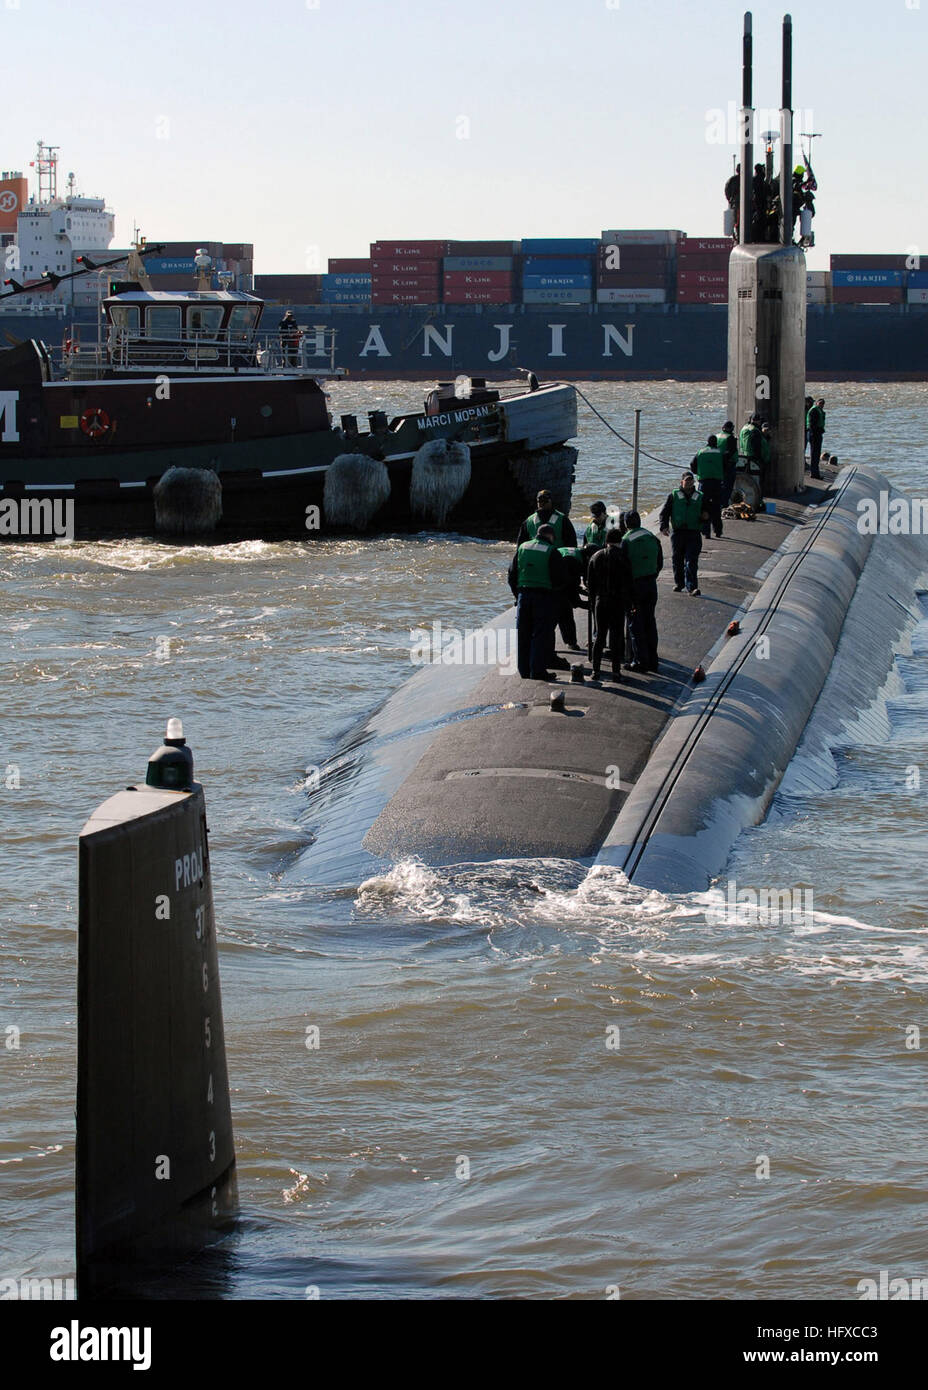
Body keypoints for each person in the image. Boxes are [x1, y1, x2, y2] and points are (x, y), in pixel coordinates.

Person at [507, 523, 566, 680]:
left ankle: (524, 670)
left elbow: (512, 575)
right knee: (540, 634)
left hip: (523, 595)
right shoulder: (552, 551)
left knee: (523, 634)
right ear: (551, 536)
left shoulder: (522, 548)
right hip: (543, 596)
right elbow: (559, 579)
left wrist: (517, 595)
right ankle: (538, 671)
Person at [620, 511, 663, 672]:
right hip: (651, 584)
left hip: (635, 586)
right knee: (649, 622)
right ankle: (653, 660)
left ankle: (640, 661)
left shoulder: (626, 540)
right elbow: (660, 562)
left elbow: (623, 568)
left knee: (635, 625)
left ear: (626, 524)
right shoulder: (651, 536)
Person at [586, 528, 629, 682]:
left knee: (600, 637)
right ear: (620, 541)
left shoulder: (595, 556)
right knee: (616, 637)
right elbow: (628, 582)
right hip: (617, 602)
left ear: (606, 541)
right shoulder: (623, 557)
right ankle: (616, 672)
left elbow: (589, 583)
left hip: (600, 601)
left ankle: (595, 670)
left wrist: (593, 601)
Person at [659, 472, 707, 595]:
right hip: (678, 533)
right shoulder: (673, 496)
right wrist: (663, 526)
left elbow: (706, 512)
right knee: (677, 559)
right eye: (687, 480)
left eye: (691, 480)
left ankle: (692, 587)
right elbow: (665, 512)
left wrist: (705, 518)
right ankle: (679, 583)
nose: (689, 482)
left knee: (691, 560)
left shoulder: (700, 496)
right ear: (682, 482)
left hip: (693, 532)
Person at [691, 434, 725, 538]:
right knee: (716, 507)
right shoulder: (720, 452)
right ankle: (718, 531)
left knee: (704, 507)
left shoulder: (701, 452)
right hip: (716, 483)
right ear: (716, 442)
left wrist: (699, 473)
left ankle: (706, 532)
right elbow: (727, 465)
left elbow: (692, 465)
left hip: (704, 483)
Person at [554, 541, 583, 656]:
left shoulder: (573, 552)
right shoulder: (577, 560)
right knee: (565, 613)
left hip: (552, 580)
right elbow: (574, 581)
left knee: (556, 615)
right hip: (557, 583)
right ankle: (571, 642)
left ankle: (567, 642)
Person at [717, 420, 738, 505]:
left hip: (718, 463)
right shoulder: (730, 437)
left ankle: (719, 504)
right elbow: (731, 451)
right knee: (728, 485)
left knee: (720, 485)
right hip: (728, 464)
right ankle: (724, 504)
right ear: (731, 428)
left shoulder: (717, 436)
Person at [807, 397, 825, 479]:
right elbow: (811, 424)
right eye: (820, 403)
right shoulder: (814, 410)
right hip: (814, 434)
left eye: (823, 403)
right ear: (817, 403)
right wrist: (816, 432)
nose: (822, 405)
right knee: (814, 454)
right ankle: (814, 473)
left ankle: (815, 473)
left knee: (816, 454)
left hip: (817, 434)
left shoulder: (819, 410)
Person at [759, 423, 773, 495]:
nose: (767, 431)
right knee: (761, 478)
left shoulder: (766, 438)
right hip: (761, 460)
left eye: (768, 430)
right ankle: (761, 493)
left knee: (763, 478)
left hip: (766, 460)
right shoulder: (760, 438)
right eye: (765, 430)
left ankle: (763, 492)